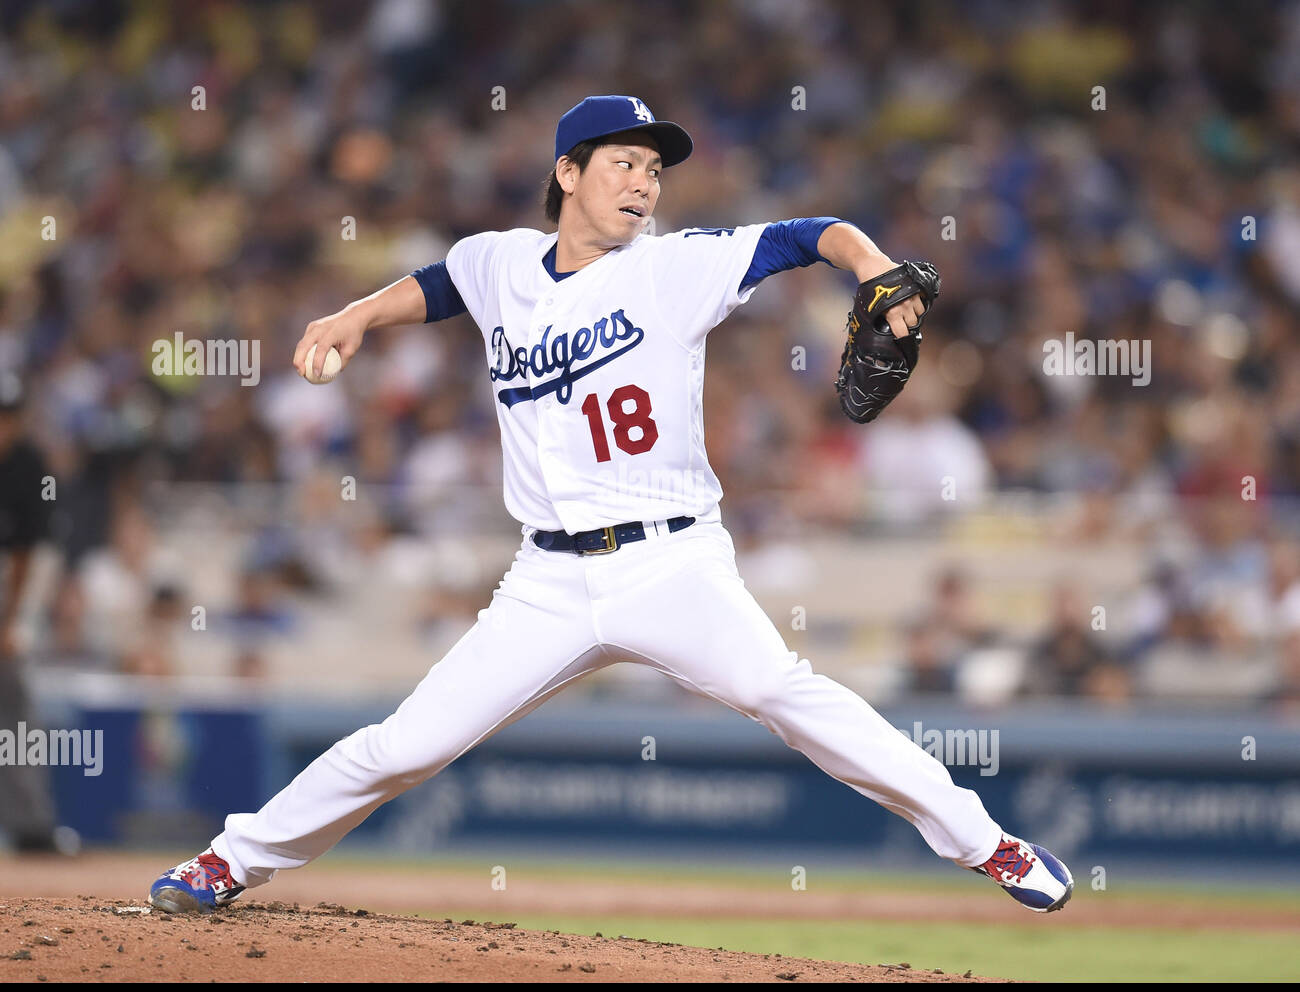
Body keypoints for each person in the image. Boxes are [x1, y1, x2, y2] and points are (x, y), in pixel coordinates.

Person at [148, 95, 1072, 915]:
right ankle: (231, 861)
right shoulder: (498, 263)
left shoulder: (673, 269)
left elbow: (808, 233)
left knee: (780, 691)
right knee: (404, 748)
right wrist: (352, 315)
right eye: (624, 162)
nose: (644, 183)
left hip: (670, 560)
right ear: (567, 172)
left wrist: (871, 264)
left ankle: (987, 842)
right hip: (545, 576)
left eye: (656, 169)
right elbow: (435, 288)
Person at [0, 377, 79, 855]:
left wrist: (14, 624)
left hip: (8, 583)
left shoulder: (27, 465)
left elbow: (34, 553)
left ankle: (32, 825)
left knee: (15, 714)